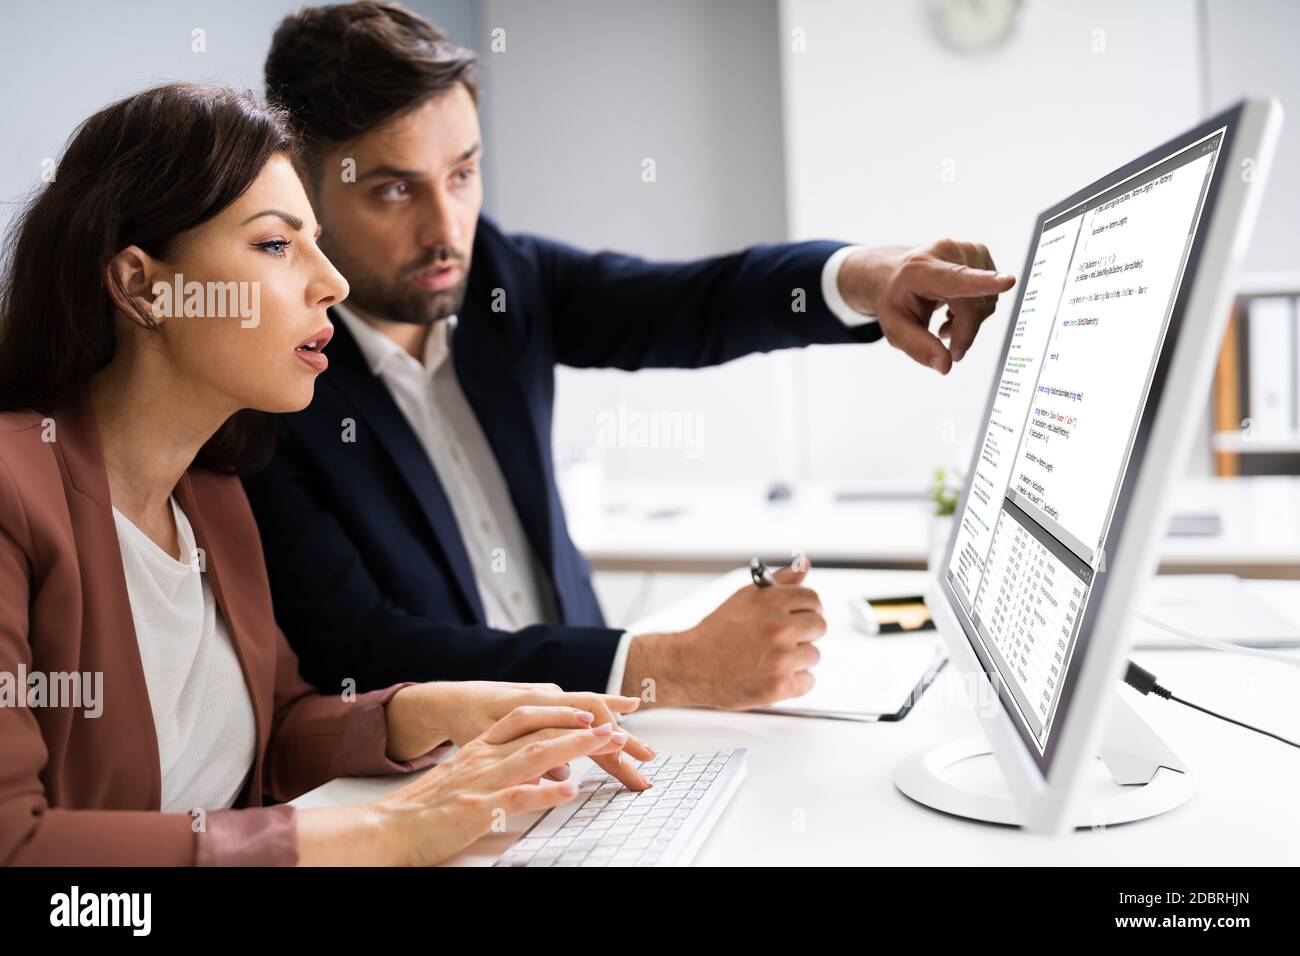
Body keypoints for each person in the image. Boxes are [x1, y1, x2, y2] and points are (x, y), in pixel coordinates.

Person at [245, 3, 1015, 786]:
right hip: (428, 784)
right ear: (301, 190)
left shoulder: (501, 281)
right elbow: (362, 648)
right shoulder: (268, 384)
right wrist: (660, 664)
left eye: (464, 173)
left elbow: (690, 302)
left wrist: (864, 277)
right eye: (392, 191)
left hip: (598, 751)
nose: (448, 229)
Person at [0, 82, 652, 867]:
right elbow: (18, 844)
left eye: (315, 241)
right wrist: (389, 831)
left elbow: (271, 739)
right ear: (143, 285)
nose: (332, 283)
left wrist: (435, 708)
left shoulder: (212, 498)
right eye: (276, 246)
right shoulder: (12, 492)